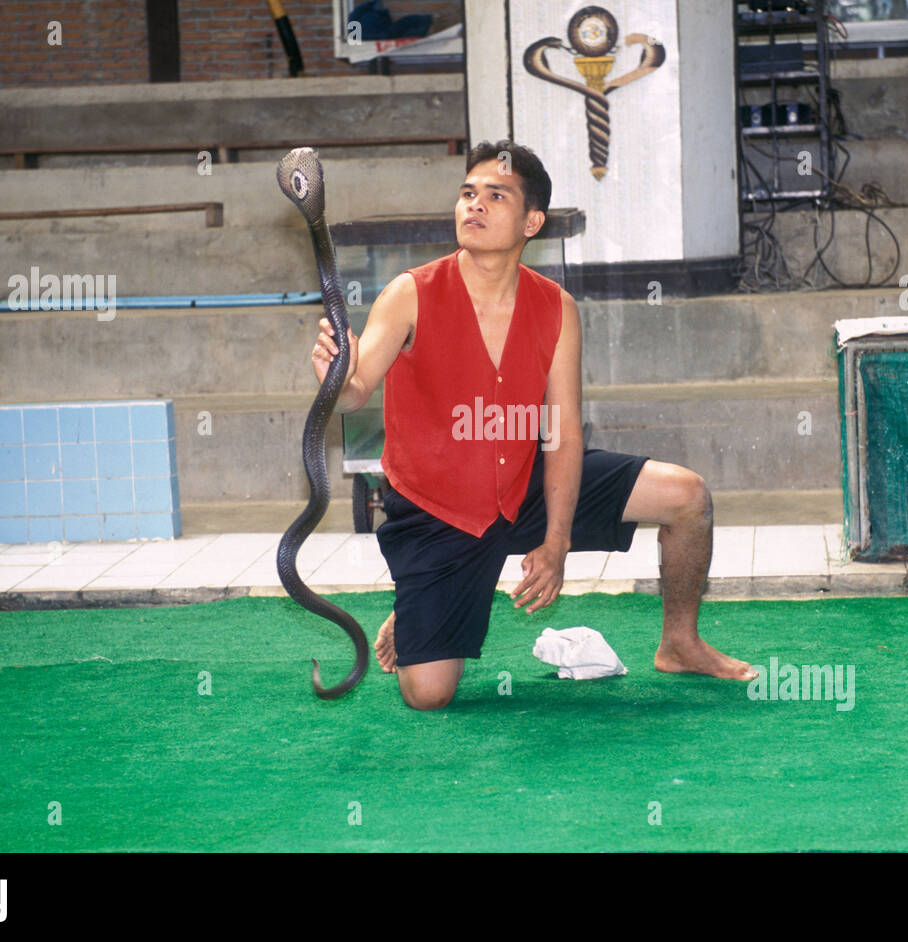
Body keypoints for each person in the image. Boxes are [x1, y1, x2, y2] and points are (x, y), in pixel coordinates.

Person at [310, 140, 757, 710]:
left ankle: (680, 643)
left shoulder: (557, 307)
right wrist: (334, 376)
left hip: (523, 486)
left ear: (532, 221)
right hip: (436, 513)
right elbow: (353, 394)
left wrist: (557, 542)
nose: (474, 205)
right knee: (428, 696)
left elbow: (563, 432)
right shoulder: (409, 293)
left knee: (688, 497)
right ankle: (423, 598)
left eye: (495, 196)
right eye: (467, 193)